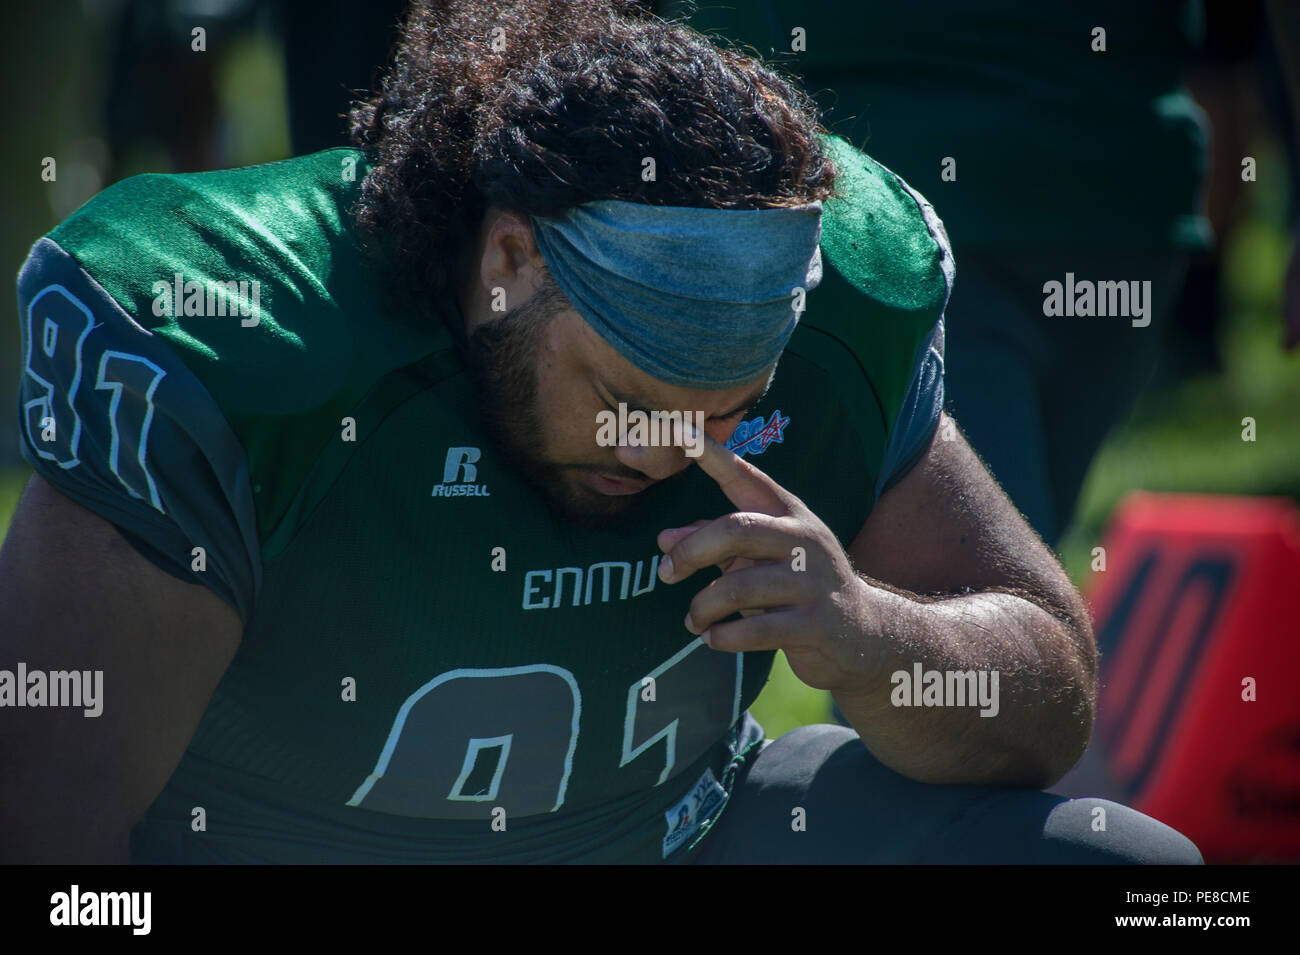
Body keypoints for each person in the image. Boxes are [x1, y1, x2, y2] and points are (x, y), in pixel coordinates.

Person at [0, 0, 1201, 864]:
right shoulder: (238, 342)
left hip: (672, 835)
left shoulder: (850, 313)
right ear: (509, 260)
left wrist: (873, 634)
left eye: (728, 411)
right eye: (634, 386)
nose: (667, 449)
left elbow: (1048, 702)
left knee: (1121, 868)